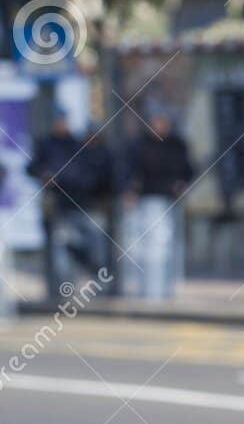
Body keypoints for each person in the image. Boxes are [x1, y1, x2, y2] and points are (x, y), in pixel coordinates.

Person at [29, 113, 112, 298]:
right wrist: (45, 174)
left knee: (93, 247)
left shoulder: (78, 146)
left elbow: (91, 175)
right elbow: (32, 167)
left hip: (86, 205)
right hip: (61, 207)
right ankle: (63, 289)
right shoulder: (46, 144)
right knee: (61, 249)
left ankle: (99, 285)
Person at [122, 110, 195, 300]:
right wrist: (130, 190)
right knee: (145, 249)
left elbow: (188, 171)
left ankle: (164, 289)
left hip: (170, 201)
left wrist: (182, 186)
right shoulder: (139, 145)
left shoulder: (176, 145)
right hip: (145, 201)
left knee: (165, 246)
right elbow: (129, 171)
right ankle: (147, 290)